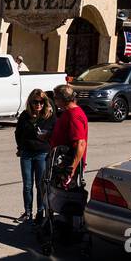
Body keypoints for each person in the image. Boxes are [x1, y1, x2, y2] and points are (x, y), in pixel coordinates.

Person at [15, 90, 55, 224]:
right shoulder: (25, 116)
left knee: (40, 185)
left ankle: (40, 213)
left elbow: (55, 134)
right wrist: (20, 148)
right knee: (27, 185)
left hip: (42, 153)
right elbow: (18, 133)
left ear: (45, 102)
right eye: (35, 102)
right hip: (26, 153)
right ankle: (27, 213)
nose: (38, 105)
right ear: (30, 103)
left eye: (41, 102)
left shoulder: (49, 116)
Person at [49, 85, 88, 189]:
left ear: (63, 99)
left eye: (55, 98)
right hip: (60, 164)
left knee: (63, 200)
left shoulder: (74, 115)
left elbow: (81, 143)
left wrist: (72, 168)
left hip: (66, 167)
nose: (54, 101)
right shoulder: (68, 113)